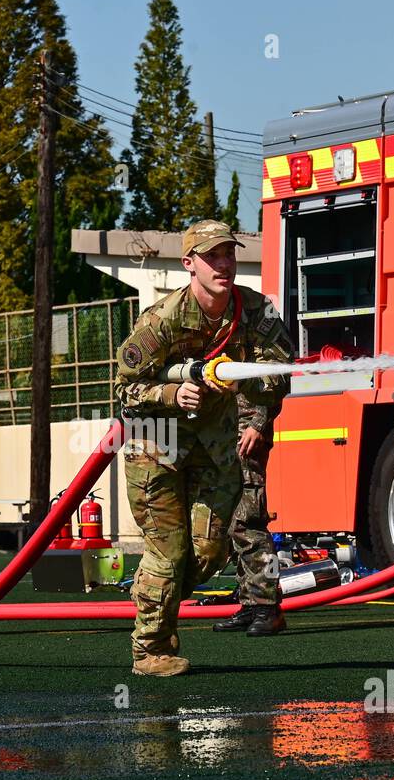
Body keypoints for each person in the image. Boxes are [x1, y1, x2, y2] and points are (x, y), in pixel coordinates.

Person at [115, 219, 292, 677]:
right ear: (189, 263)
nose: (224, 264)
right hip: (158, 447)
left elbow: (282, 370)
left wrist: (242, 377)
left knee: (209, 552)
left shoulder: (255, 311)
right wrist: (172, 393)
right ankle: (150, 649)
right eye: (212, 256)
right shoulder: (162, 320)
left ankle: (152, 596)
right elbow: (124, 392)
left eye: (229, 255)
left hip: (215, 450)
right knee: (168, 552)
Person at [212, 375, 291, 637]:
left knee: (250, 521)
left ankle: (268, 608)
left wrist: (258, 424)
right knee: (234, 523)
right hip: (225, 430)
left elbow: (278, 380)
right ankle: (250, 604)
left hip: (247, 431)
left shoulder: (254, 336)